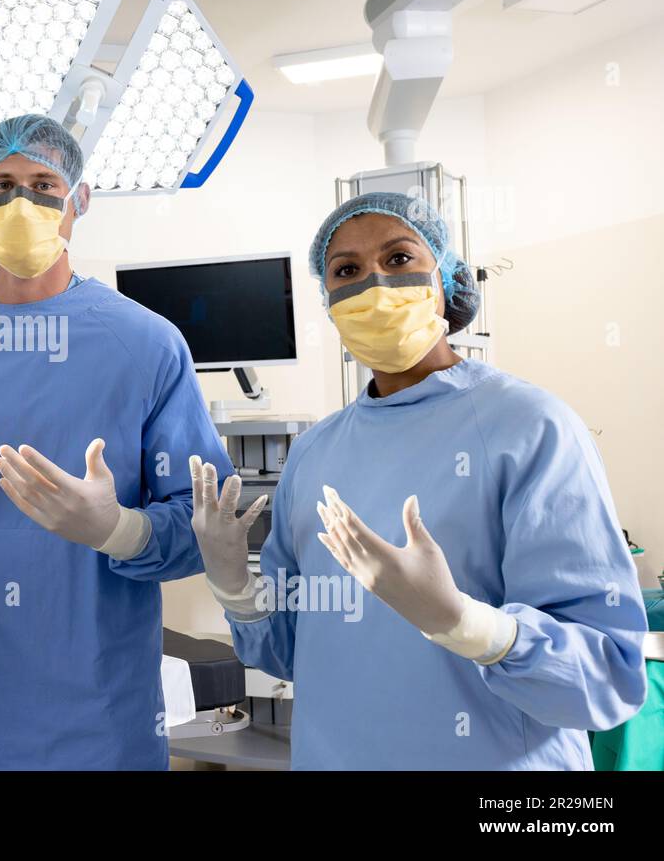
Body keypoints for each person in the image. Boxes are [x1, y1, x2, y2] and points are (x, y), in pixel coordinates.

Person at [190, 191, 647, 769]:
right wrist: (234, 586)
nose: (373, 285)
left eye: (400, 259)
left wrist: (467, 625)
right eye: (347, 271)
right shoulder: (313, 454)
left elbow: (607, 675)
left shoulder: (530, 427)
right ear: (328, 301)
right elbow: (289, 655)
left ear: (446, 278)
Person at [0, 114, 233, 769]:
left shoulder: (147, 345)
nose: (20, 202)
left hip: (100, 724)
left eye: (43, 185)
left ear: (79, 201)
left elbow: (204, 528)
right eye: (1, 185)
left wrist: (120, 530)